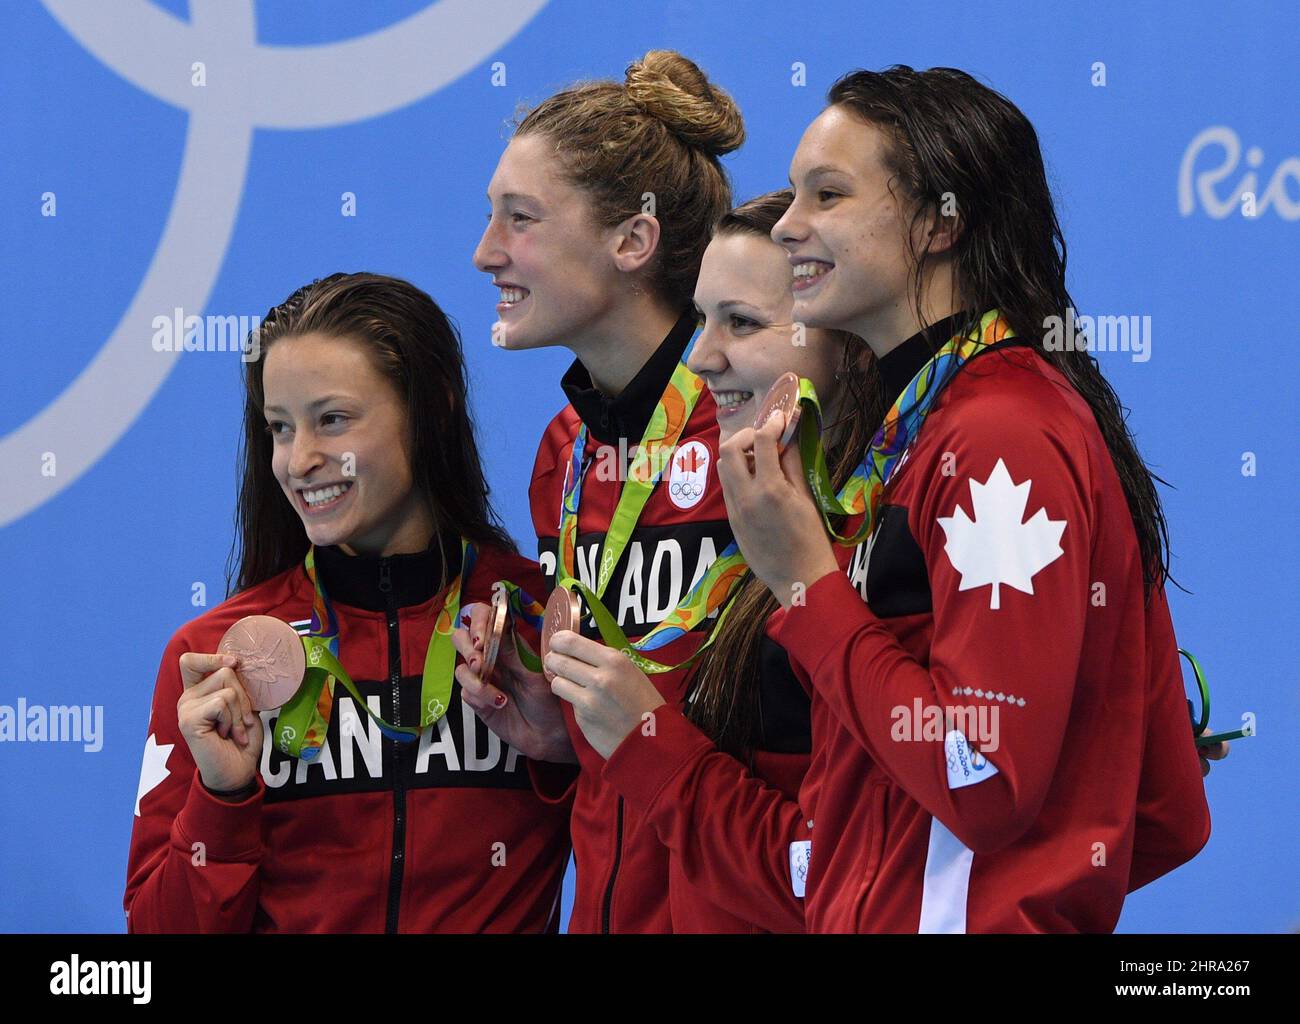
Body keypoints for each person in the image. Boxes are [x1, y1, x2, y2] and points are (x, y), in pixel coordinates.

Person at [716, 67, 1216, 932]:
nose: (789, 225)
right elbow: (1167, 808)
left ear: (942, 220)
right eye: (795, 194)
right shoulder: (927, 434)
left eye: (828, 195)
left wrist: (804, 585)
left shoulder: (999, 440)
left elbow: (981, 774)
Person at [125, 272, 571, 933]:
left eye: (331, 419)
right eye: (279, 427)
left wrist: (566, 751)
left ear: (432, 409)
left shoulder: (535, 625)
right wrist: (222, 798)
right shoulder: (213, 661)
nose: (297, 460)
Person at [464, 50, 745, 932]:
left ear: (632, 240)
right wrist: (558, 728)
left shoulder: (760, 428)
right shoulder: (567, 452)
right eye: (489, 217)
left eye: (521, 219)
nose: (485, 254)